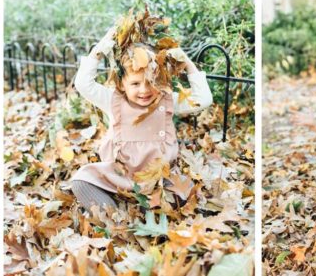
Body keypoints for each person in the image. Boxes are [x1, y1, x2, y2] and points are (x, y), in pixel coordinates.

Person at [68, 25, 213, 211]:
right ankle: (113, 214)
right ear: (122, 83)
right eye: (135, 83)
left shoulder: (167, 101)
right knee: (81, 181)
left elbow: (204, 100)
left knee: (183, 191)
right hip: (118, 176)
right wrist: (101, 48)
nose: (144, 90)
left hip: (158, 180)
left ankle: (147, 211)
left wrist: (186, 62)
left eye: (151, 82)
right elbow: (83, 83)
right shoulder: (113, 100)